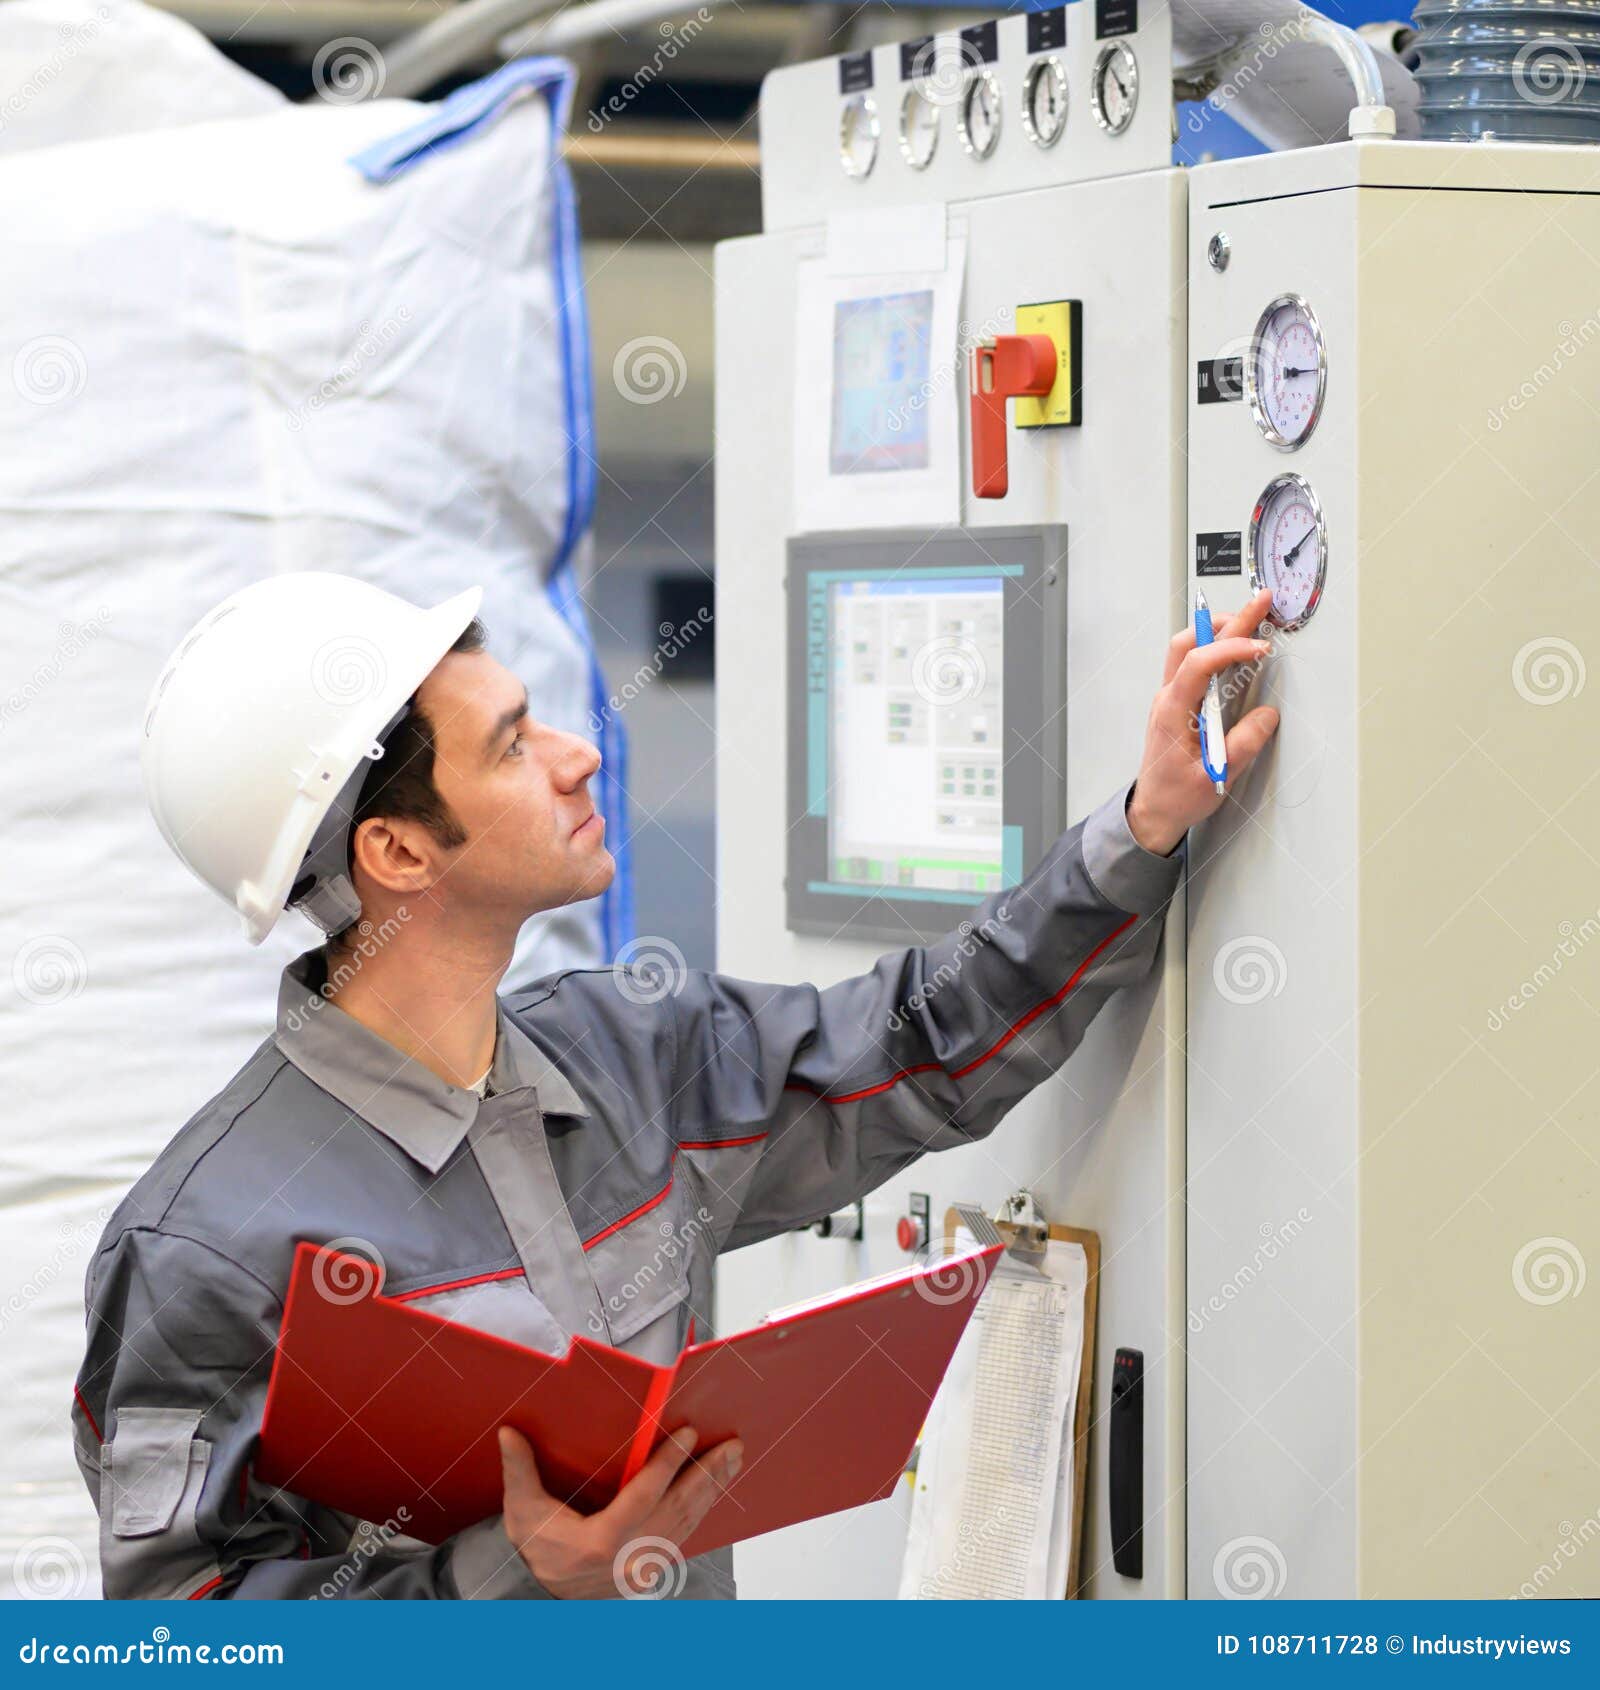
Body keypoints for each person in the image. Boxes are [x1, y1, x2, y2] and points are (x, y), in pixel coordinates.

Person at [74, 571, 1278, 1600]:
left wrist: (1143, 823)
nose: (577, 752)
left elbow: (922, 1044)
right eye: (511, 745)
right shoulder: (206, 1244)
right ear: (396, 853)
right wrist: (509, 1577)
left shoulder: (634, 1050)